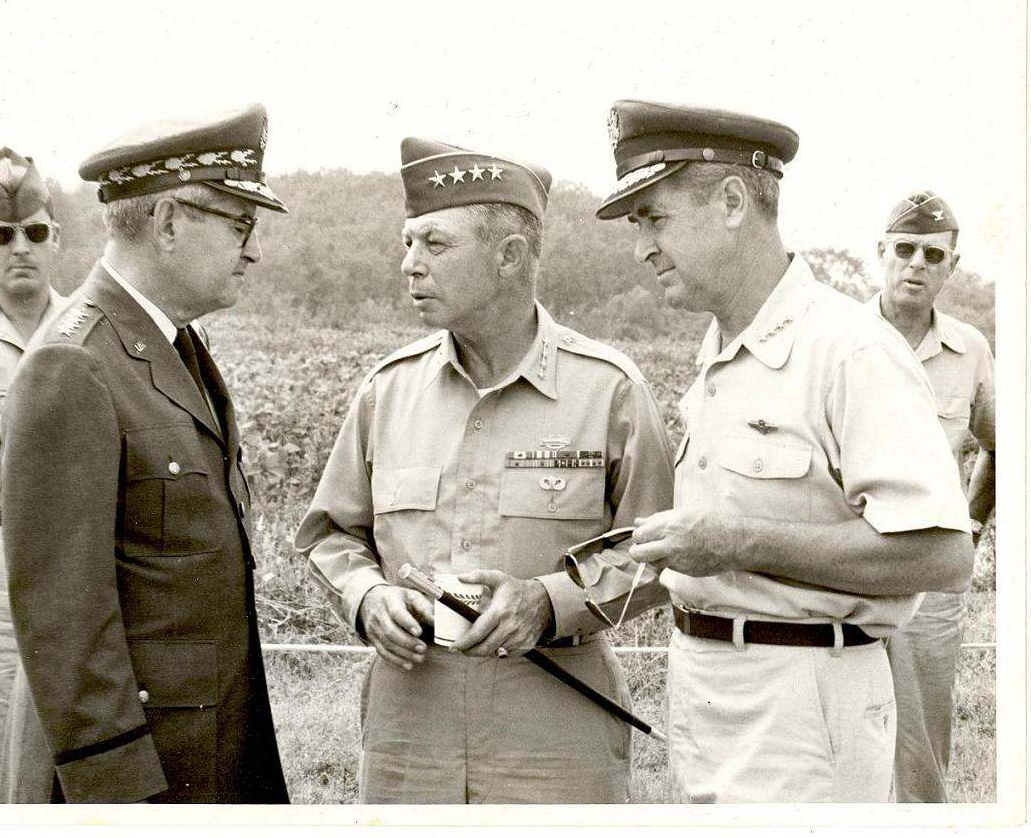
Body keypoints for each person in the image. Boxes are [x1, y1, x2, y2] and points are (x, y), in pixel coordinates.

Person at [593, 100, 974, 803]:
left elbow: (943, 555)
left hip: (804, 701)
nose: (642, 246)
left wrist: (734, 542)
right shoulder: (724, 348)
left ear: (733, 201)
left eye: (655, 218)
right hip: (715, 692)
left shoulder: (846, 348)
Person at [296, 136, 674, 804]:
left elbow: (659, 551)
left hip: (556, 732)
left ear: (511, 257)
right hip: (409, 735)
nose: (410, 266)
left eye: (435, 246)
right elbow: (330, 535)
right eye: (408, 243)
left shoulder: (608, 390)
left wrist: (547, 602)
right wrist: (369, 598)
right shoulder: (388, 390)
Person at [0, 104, 290, 803]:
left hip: (199, 747)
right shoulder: (73, 364)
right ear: (167, 223)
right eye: (239, 225)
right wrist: (121, 796)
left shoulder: (171, 345)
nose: (252, 250)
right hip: (131, 776)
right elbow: (63, 618)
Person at [870, 191, 995, 802]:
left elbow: (1002, 444)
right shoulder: (841, 337)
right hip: (846, 567)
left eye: (932, 254)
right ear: (881, 253)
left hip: (929, 578)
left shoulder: (971, 351)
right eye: (904, 249)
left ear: (951, 267)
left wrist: (970, 523)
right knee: (841, 735)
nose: (915, 263)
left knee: (922, 751)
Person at [0, 148, 66, 803]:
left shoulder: (91, 328)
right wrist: (62, 462)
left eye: (34, 231)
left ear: (57, 237)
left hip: (79, 558)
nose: (19, 247)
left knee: (78, 750)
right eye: (2, 235)